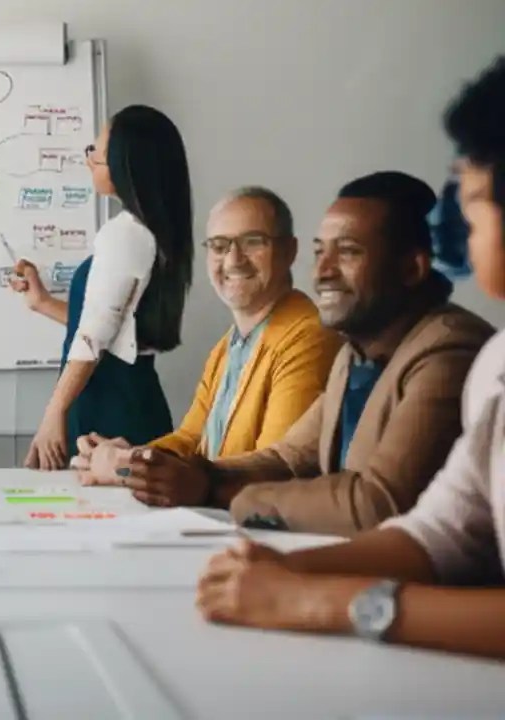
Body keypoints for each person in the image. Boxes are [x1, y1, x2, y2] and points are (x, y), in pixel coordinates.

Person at [196, 56, 505, 660]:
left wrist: (317, 601)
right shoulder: (497, 362)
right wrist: (287, 572)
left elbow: (379, 506)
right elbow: (440, 532)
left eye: (472, 204)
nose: (459, 229)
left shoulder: (454, 346)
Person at [118, 171, 494, 535]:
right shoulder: (357, 353)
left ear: (412, 268)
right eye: (320, 252)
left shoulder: (449, 349)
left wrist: (217, 491)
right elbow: (287, 459)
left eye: (347, 252)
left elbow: (376, 504)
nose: (323, 272)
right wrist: (195, 473)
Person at [75, 187, 340, 481]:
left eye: (253, 242)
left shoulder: (309, 339)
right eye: (219, 245)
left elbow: (272, 472)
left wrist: (124, 471)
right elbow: (189, 440)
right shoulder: (229, 344)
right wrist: (128, 458)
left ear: (289, 251)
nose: (234, 259)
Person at [11, 105, 194, 469]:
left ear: (127, 166)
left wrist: (54, 414)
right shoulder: (151, 231)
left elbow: (93, 337)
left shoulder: (124, 234)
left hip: (107, 403)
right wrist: (43, 302)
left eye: (96, 152)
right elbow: (116, 328)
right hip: (129, 397)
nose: (89, 158)